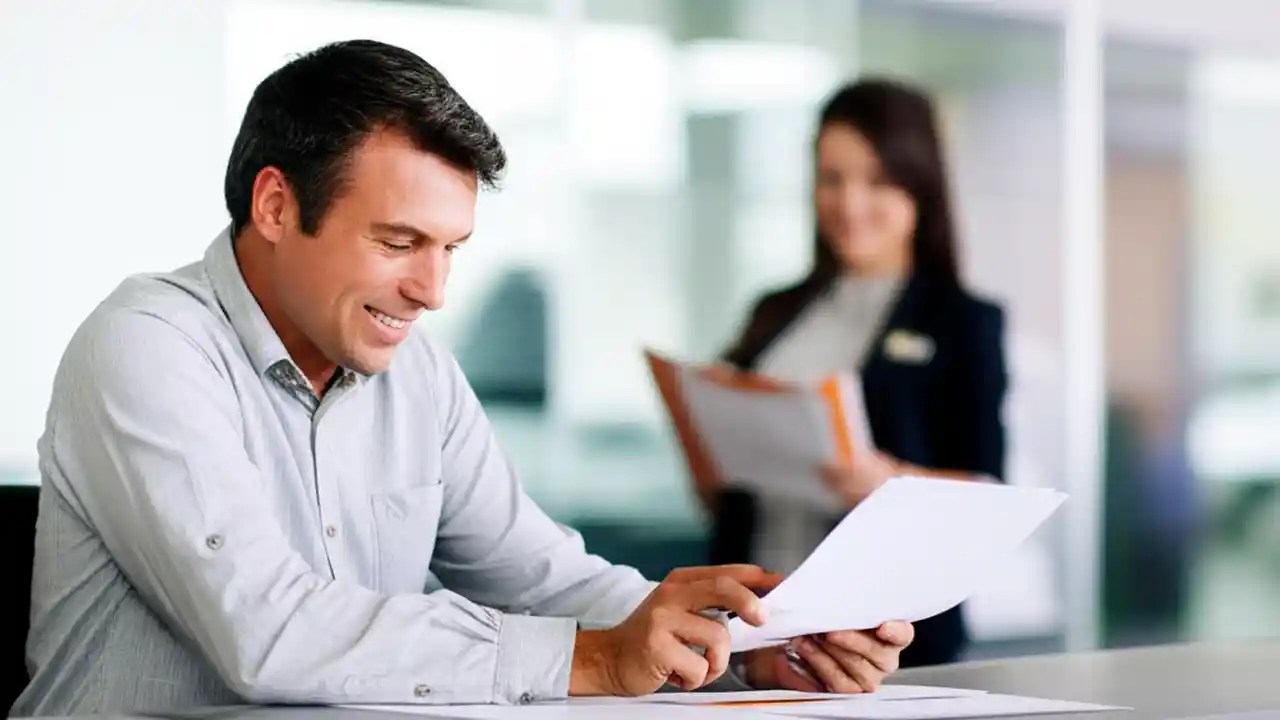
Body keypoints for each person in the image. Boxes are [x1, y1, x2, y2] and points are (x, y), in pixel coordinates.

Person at [12, 41, 913, 717]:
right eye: (399, 243)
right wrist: (596, 660)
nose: (433, 290)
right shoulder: (148, 346)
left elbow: (540, 576)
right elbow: (267, 630)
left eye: (450, 249)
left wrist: (740, 645)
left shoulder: (418, 377)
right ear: (277, 206)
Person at [707, 78, 1007, 668]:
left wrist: (893, 482)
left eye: (876, 181)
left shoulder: (963, 322)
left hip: (878, 641)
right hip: (754, 628)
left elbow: (991, 491)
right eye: (832, 179)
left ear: (919, 189)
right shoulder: (776, 310)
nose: (849, 204)